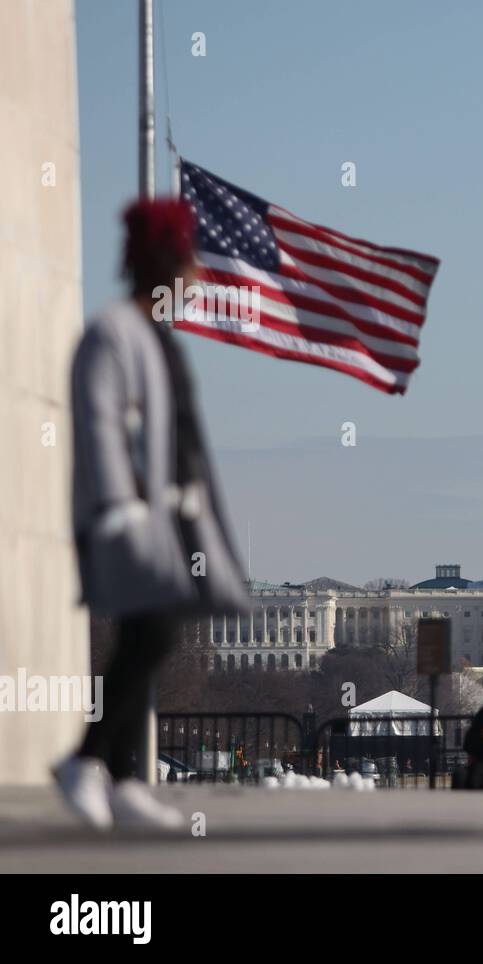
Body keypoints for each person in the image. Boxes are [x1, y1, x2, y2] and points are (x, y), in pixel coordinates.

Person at [53, 198, 251, 830]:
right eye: (189, 261)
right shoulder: (113, 333)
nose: (198, 276)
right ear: (165, 265)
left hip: (168, 517)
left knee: (151, 632)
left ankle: (117, 776)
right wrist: (122, 506)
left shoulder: (153, 336)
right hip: (129, 517)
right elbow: (101, 423)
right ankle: (88, 762)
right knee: (155, 631)